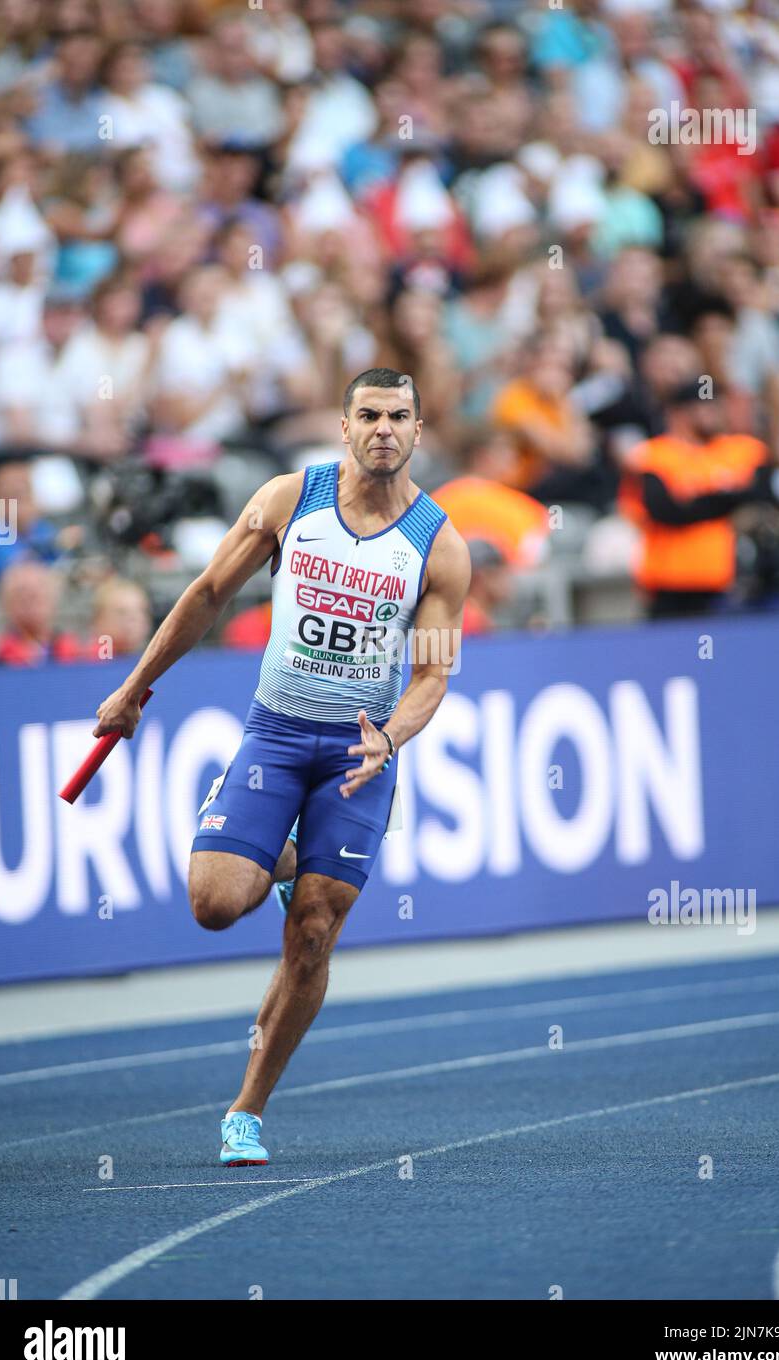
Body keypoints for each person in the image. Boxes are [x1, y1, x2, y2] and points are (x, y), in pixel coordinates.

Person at [92, 367, 471, 1166]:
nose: (384, 430)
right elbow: (207, 593)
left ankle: (246, 1111)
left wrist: (391, 738)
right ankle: (286, 855)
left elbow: (434, 673)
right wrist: (132, 689)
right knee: (215, 904)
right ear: (343, 425)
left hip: (358, 755)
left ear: (417, 429)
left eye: (399, 416)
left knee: (315, 930)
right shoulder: (289, 500)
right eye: (369, 415)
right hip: (276, 735)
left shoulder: (439, 545)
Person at [619, 380, 774, 619]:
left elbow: (762, 498)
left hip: (727, 578)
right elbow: (665, 511)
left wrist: (698, 500)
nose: (712, 414)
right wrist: (727, 499)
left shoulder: (743, 450)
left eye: (714, 406)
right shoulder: (655, 454)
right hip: (668, 579)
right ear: (678, 413)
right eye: (702, 407)